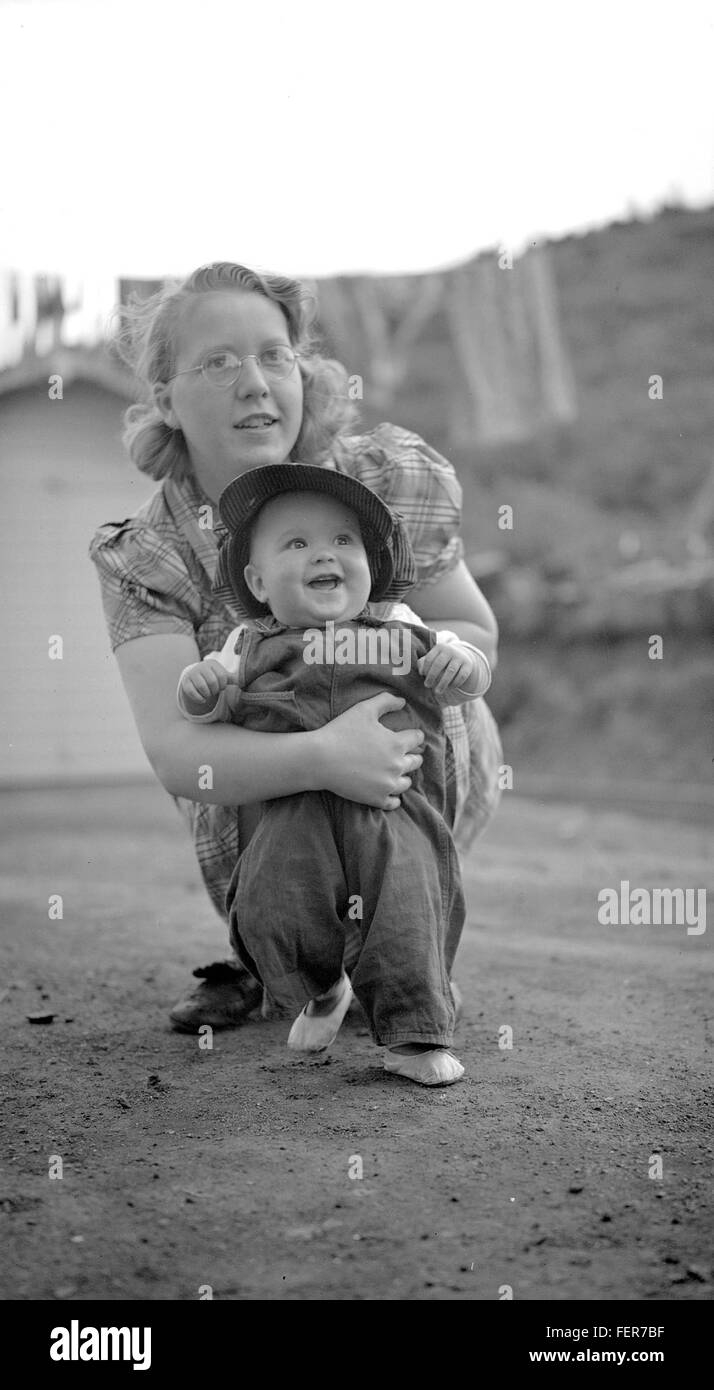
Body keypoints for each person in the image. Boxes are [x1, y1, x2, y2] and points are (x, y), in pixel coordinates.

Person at [88, 261, 502, 1033]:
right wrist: (322, 754)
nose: (256, 383)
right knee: (238, 740)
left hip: (400, 775)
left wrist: (435, 662)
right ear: (167, 401)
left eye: (274, 355)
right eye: (218, 362)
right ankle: (276, 947)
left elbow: (476, 631)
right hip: (266, 801)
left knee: (446, 673)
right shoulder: (149, 553)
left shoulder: (381, 479)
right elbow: (181, 750)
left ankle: (404, 932)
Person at [176, 465, 492, 1085]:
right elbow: (209, 707)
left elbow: (469, 670)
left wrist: (463, 662)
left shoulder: (401, 626)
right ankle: (324, 990)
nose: (325, 552)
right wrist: (201, 689)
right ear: (258, 581)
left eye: (344, 541)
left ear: (372, 563)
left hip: (392, 808)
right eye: (296, 543)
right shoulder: (245, 643)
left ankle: (413, 1038)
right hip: (293, 809)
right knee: (273, 908)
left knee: (407, 910)